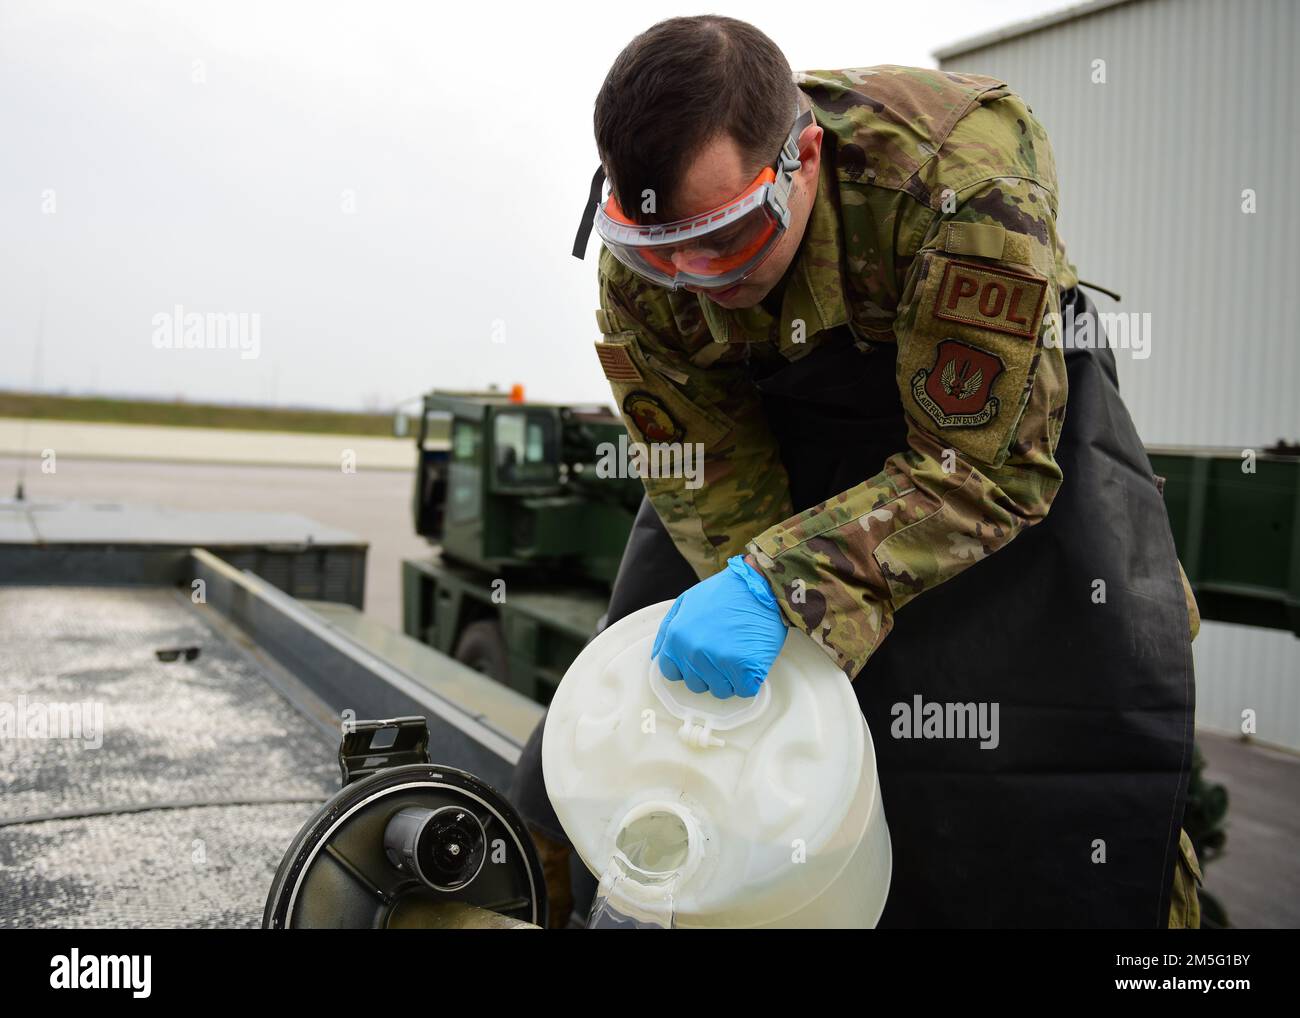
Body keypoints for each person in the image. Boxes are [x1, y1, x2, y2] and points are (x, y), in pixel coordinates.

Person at [513, 14, 1202, 928]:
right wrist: (763, 602)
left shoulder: (962, 186)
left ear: (801, 158)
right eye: (656, 250)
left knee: (1054, 772)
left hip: (987, 440)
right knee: (656, 703)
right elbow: (702, 466)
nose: (690, 277)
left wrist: (785, 587)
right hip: (778, 426)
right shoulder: (653, 257)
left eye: (723, 239)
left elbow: (985, 474)